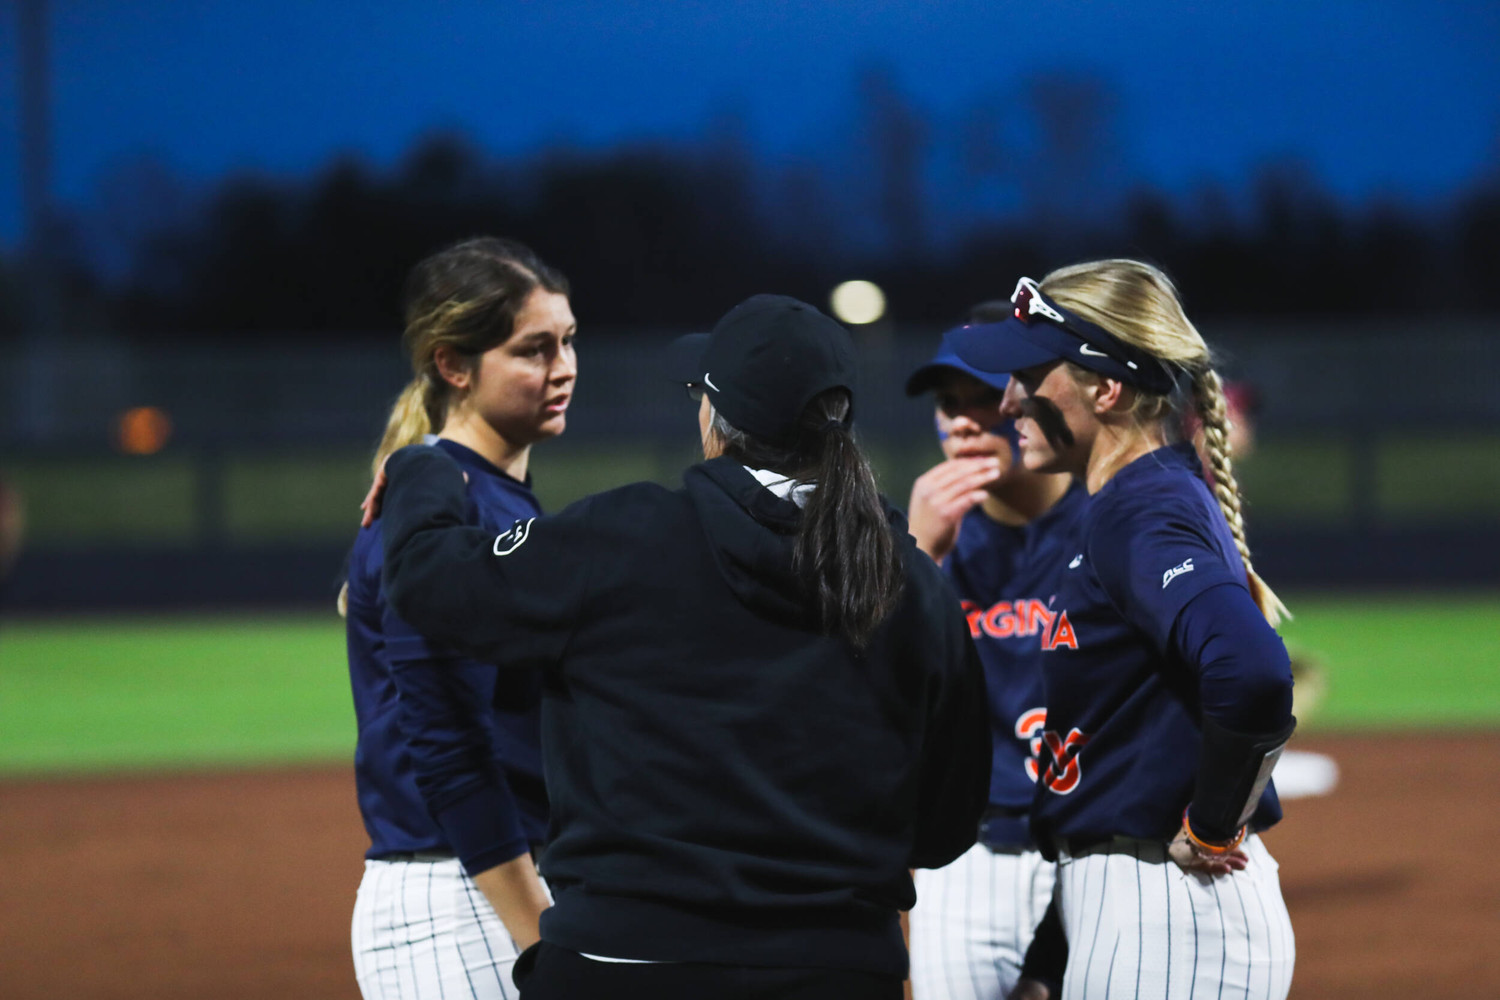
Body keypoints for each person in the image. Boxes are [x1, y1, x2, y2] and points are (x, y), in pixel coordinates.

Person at [372, 293, 991, 1000]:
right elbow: (946, 827)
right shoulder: (911, 580)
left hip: (623, 963)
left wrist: (422, 467)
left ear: (715, 419)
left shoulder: (622, 536)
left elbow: (429, 580)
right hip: (838, 969)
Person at [949, 261, 1297, 999]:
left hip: (1171, 913)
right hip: (1143, 911)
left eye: (1028, 376)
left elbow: (1255, 672)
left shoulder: (1142, 509)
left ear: (1105, 389)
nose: (1007, 401)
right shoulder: (1128, 503)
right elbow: (1115, 754)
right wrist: (1050, 957)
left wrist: (1212, 826)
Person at [343, 237, 575, 999]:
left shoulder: (491, 500)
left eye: (568, 340)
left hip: (501, 881)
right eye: (534, 349)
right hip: (465, 891)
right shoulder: (441, 512)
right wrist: (539, 932)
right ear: (453, 365)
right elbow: (448, 747)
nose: (564, 367)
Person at [902, 310, 1086, 1000]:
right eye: (948, 403)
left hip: (1095, 845)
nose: (963, 421)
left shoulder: (1109, 522)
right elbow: (880, 704)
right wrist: (919, 561)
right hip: (967, 857)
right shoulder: (922, 538)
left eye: (984, 397)